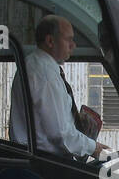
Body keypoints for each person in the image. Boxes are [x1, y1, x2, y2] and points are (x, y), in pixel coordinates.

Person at [9, 15, 110, 160]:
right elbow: (60, 134)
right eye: (69, 40)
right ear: (50, 41)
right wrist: (96, 149)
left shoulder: (35, 64)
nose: (73, 45)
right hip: (46, 163)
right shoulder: (45, 75)